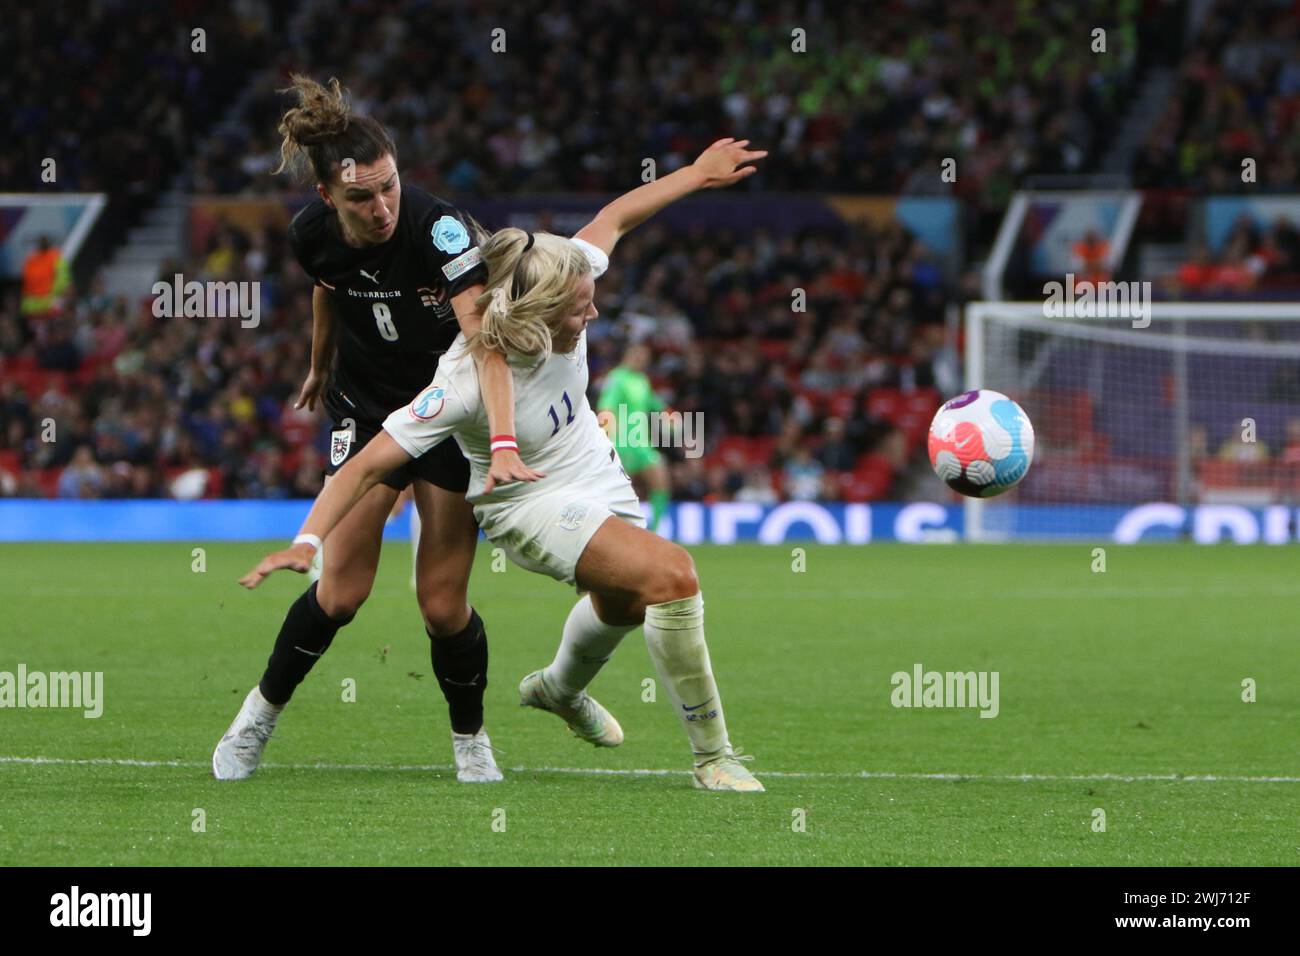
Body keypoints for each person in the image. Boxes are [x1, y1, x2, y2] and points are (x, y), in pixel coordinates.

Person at [240, 138, 769, 791]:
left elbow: (617, 215)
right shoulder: (458, 381)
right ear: (539, 312)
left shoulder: (558, 269)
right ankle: (713, 757)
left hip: (589, 463)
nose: (594, 310)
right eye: (582, 308)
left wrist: (695, 174)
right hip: (524, 497)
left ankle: (558, 689)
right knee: (672, 576)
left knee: (628, 602)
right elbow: (367, 466)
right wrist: (307, 539)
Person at [213, 76, 541, 784]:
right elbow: (326, 290)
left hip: (446, 415)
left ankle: (471, 741)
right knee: (341, 593)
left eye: (389, 186)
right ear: (328, 196)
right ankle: (255, 720)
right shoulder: (310, 234)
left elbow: (484, 342)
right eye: (361, 196)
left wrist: (505, 442)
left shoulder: (440, 229)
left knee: (442, 605)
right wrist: (316, 363)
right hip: (363, 407)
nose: (381, 206)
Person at [597, 342, 674, 531]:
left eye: (645, 358)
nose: (642, 361)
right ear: (628, 355)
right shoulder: (617, 378)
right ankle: (613, 532)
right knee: (619, 492)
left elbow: (651, 402)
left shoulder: (642, 380)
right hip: (622, 443)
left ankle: (654, 531)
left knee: (661, 483)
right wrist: (607, 439)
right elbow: (606, 407)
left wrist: (667, 413)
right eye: (638, 356)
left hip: (641, 444)